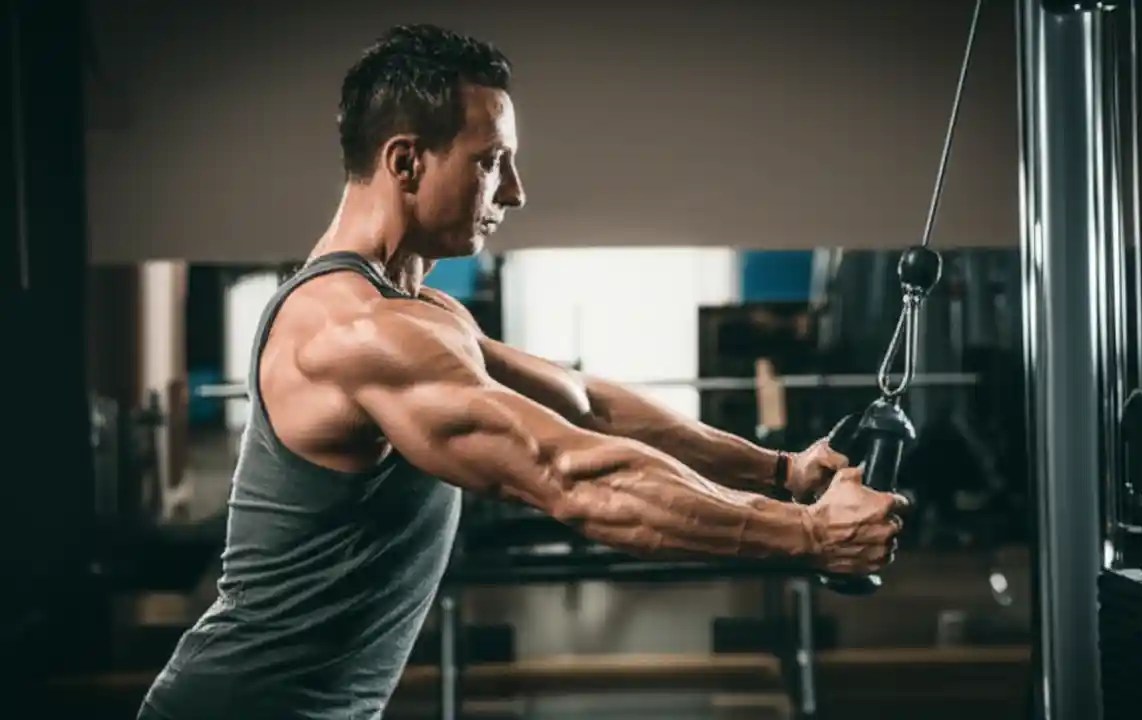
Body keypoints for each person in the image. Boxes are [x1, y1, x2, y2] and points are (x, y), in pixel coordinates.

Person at [138, 23, 908, 720]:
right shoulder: (354, 331)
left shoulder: (422, 313)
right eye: (491, 163)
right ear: (405, 160)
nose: (514, 191)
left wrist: (778, 470)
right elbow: (571, 475)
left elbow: (587, 409)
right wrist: (808, 536)